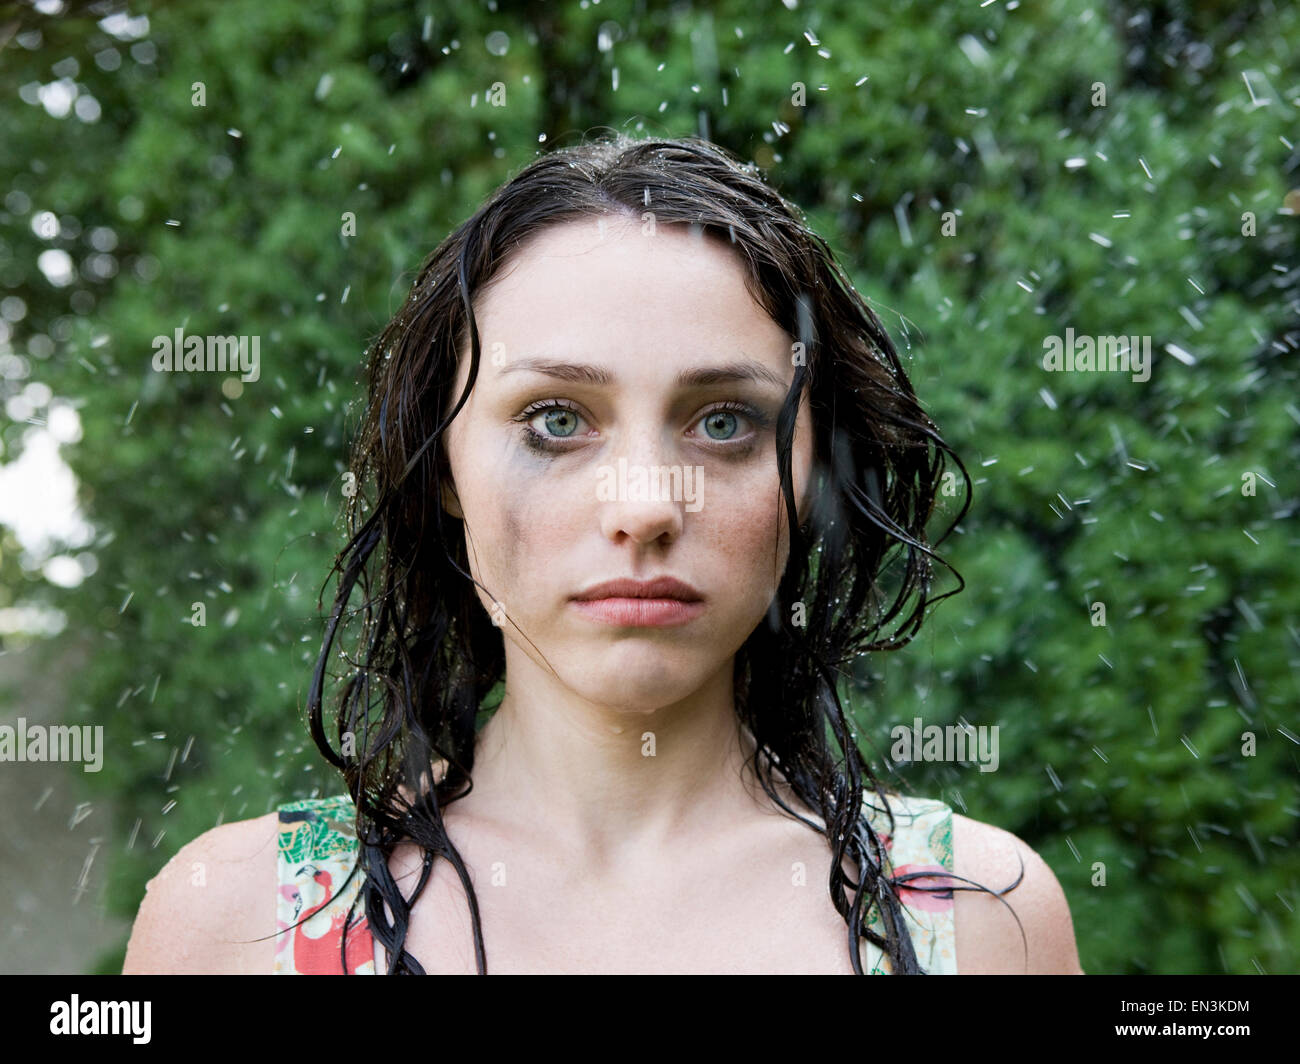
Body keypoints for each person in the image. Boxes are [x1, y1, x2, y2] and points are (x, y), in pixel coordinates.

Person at [123, 132, 1084, 975]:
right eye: (554, 419)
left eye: (724, 422)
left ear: (811, 476)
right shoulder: (237, 926)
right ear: (445, 468)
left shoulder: (978, 921)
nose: (645, 506)